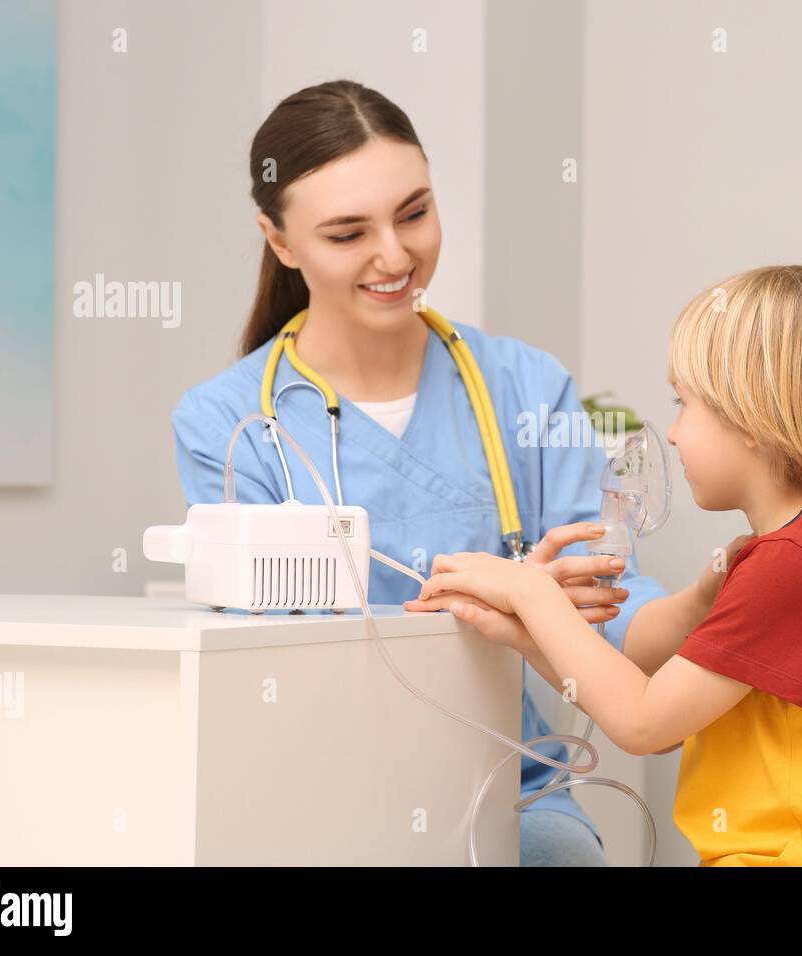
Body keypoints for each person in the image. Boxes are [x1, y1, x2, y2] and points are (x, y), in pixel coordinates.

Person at [169, 79, 667, 866]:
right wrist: (514, 602)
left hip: (512, 782)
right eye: (346, 234)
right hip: (319, 787)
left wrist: (713, 606)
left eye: (414, 213)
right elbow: (265, 661)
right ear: (280, 240)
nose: (396, 257)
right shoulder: (229, 426)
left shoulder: (529, 388)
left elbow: (611, 598)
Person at [416, 265, 802, 865]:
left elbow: (644, 727)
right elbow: (658, 706)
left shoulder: (799, 563)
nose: (670, 433)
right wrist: (521, 634)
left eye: (684, 404)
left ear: (753, 414)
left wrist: (531, 592)